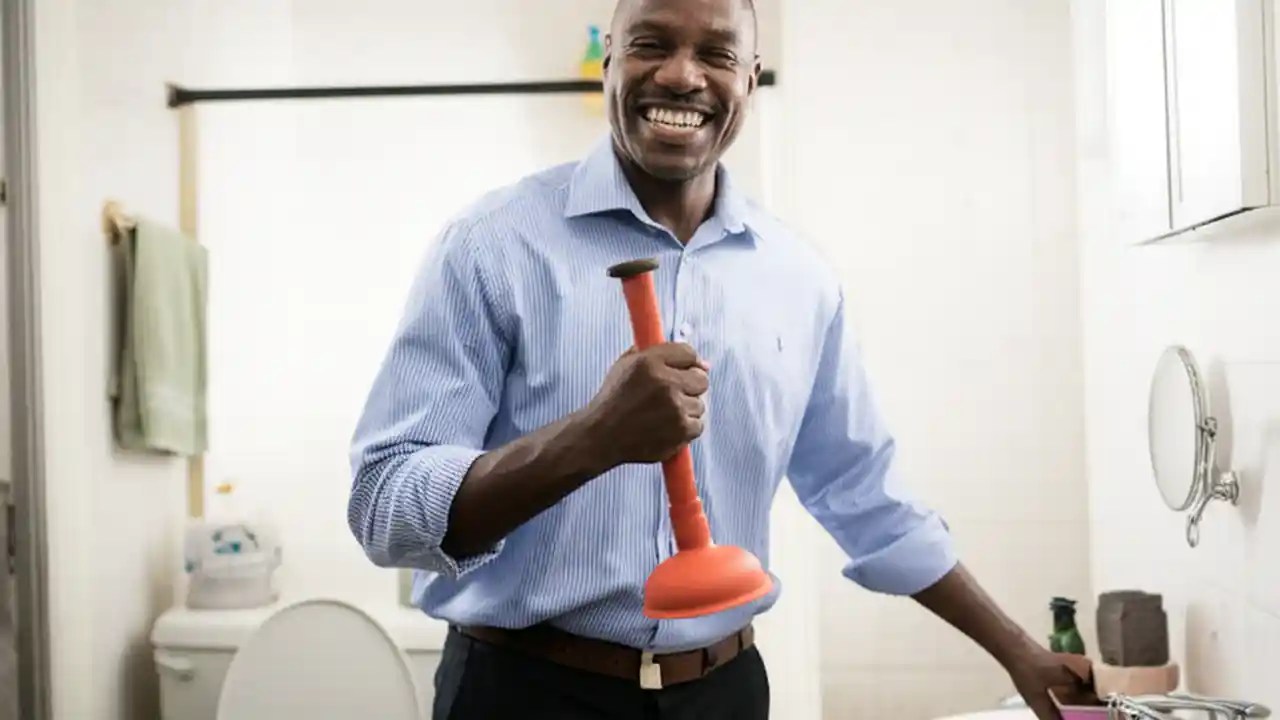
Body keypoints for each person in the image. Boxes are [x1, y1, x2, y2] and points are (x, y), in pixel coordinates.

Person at [347, 0, 1082, 717]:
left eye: (717, 54)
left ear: (751, 79)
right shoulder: (492, 246)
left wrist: (1019, 653)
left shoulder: (799, 280)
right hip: (522, 690)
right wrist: (590, 438)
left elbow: (870, 500)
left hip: (723, 692)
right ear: (609, 61)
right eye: (650, 44)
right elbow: (385, 506)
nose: (680, 75)